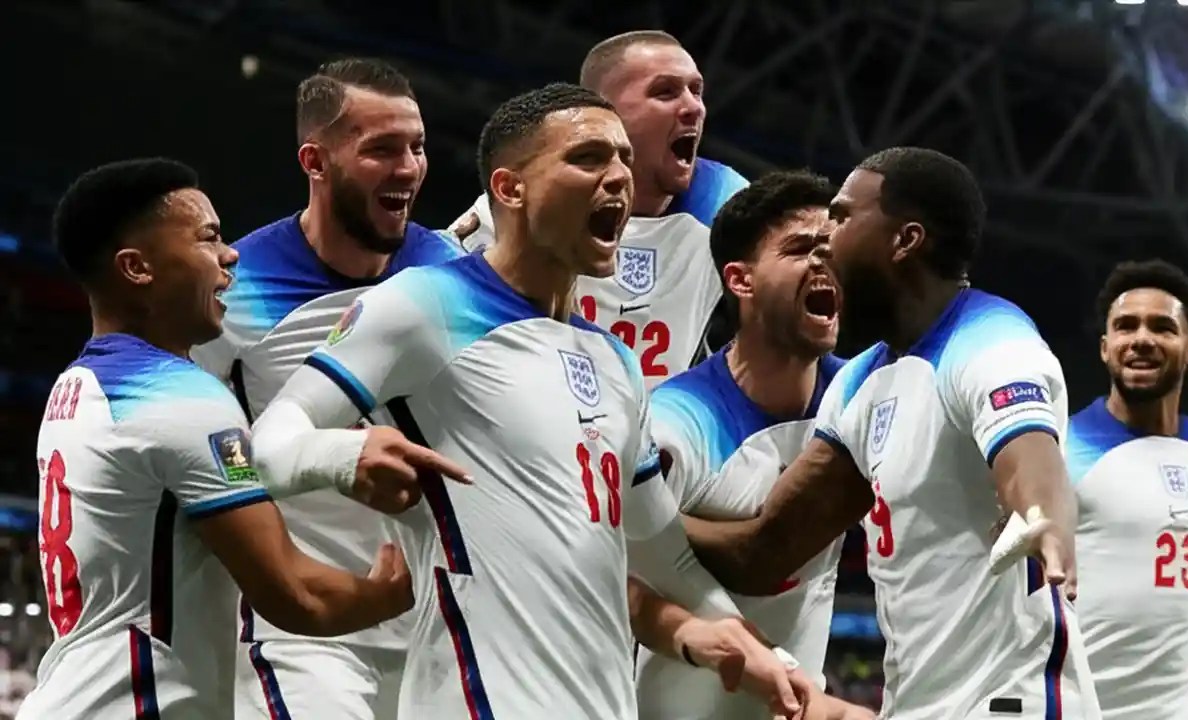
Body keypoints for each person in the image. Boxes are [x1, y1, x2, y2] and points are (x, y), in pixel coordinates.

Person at [249, 83, 812, 719]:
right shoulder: (421, 305)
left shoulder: (616, 362)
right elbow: (267, 446)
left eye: (625, 158)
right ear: (510, 189)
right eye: (588, 158)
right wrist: (343, 453)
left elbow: (662, 554)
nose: (620, 178)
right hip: (475, 698)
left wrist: (753, 648)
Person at [683, 146, 1103, 719]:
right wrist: (639, 516)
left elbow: (1030, 457)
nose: (825, 237)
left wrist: (1044, 518)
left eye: (841, 216)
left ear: (904, 240)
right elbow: (765, 551)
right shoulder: (859, 382)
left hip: (1012, 701)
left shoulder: (991, 339)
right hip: (917, 704)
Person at [18, 158, 414, 720]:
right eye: (207, 239)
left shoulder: (75, 387)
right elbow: (295, 594)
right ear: (137, 268)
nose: (230, 256)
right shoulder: (182, 396)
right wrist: (396, 593)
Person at [188, 57, 463, 719]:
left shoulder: (458, 276)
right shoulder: (233, 290)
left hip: (446, 627)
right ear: (315, 161)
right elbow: (198, 454)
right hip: (305, 635)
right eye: (381, 150)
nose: (409, 168)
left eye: (418, 147)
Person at [634, 169, 873, 720]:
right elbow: (611, 581)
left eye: (832, 250)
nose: (825, 263)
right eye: (801, 249)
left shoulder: (863, 397)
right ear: (740, 281)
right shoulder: (674, 422)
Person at [452, 30, 749, 389]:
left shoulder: (727, 201)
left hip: (648, 431)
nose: (693, 107)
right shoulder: (513, 211)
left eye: (696, 90)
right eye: (665, 92)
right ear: (604, 112)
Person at [1067, 260, 1188, 719]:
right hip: (1084, 709)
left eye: (1162, 327)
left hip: (1185, 708)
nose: (1141, 338)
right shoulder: (1058, 445)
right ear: (1105, 348)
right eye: (1125, 326)